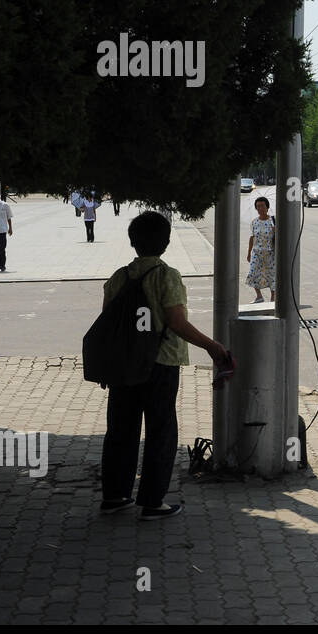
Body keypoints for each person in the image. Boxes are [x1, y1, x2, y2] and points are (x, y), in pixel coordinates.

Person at [100, 211, 230, 520]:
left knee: (120, 430)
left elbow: (109, 325)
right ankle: (152, 502)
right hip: (160, 364)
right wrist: (212, 347)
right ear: (166, 242)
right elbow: (176, 322)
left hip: (124, 366)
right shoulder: (166, 275)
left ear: (133, 242)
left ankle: (115, 496)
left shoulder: (119, 277)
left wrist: (107, 365)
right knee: (161, 430)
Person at [246, 196, 276, 303]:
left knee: (272, 275)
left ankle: (273, 297)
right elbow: (252, 237)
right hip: (257, 253)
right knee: (253, 273)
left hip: (270, 253)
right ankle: (259, 296)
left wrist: (275, 230)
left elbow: (278, 237)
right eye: (258, 206)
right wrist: (249, 252)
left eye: (262, 206)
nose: (260, 208)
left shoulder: (273, 221)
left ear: (267, 207)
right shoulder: (254, 222)